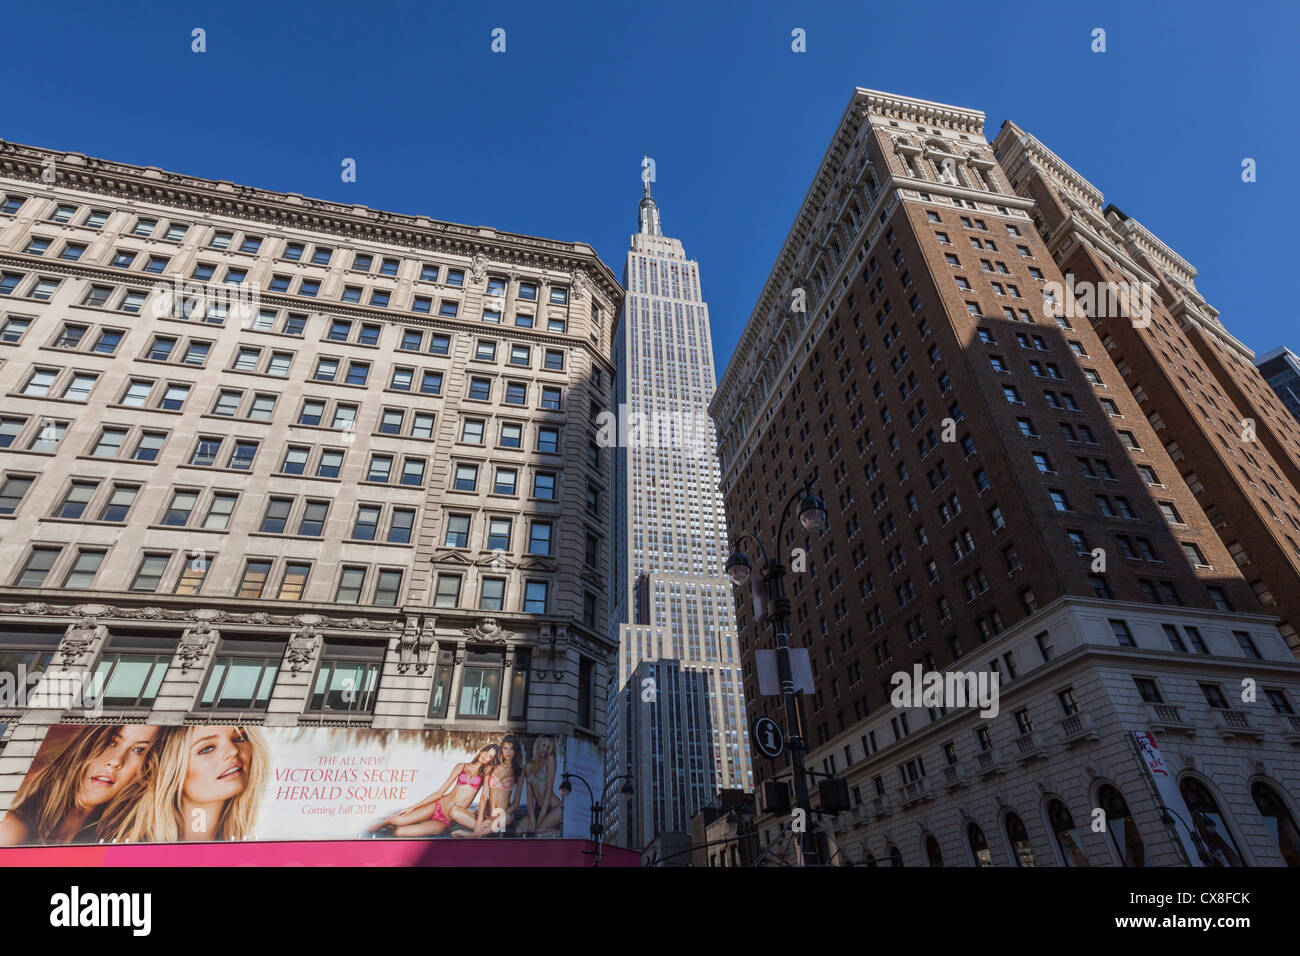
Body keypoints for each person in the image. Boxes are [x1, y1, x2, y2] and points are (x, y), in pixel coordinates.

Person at [100, 725, 266, 843]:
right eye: (207, 749)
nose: (233, 751)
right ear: (172, 770)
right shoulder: (131, 850)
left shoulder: (255, 841)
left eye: (239, 738)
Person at [0, 724, 160, 846]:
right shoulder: (10, 829)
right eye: (112, 742)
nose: (116, 761)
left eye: (139, 750)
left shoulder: (126, 842)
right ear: (87, 744)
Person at [367, 744, 497, 838]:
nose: (486, 757)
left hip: (447, 820)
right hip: (438, 805)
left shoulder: (486, 772)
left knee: (399, 832)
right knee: (397, 820)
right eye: (486, 752)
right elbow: (440, 792)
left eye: (490, 757)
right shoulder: (461, 766)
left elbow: (484, 797)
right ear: (481, 751)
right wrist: (412, 807)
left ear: (491, 761)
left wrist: (479, 820)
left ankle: (395, 826)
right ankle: (384, 823)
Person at [472, 734, 524, 836]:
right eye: (505, 748)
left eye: (511, 749)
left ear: (516, 751)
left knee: (508, 818)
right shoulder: (491, 768)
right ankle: (481, 831)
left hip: (503, 816)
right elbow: (483, 796)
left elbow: (516, 804)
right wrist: (479, 820)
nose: (508, 752)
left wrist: (494, 819)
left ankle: (474, 836)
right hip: (489, 812)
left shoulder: (518, 772)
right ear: (501, 749)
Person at [516, 736, 563, 835]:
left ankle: (559, 832)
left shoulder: (550, 759)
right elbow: (530, 797)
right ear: (538, 745)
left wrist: (538, 822)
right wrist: (533, 819)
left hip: (553, 807)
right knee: (518, 830)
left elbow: (548, 791)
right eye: (544, 745)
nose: (545, 749)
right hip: (538, 809)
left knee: (538, 832)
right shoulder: (529, 766)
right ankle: (549, 830)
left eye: (548, 747)